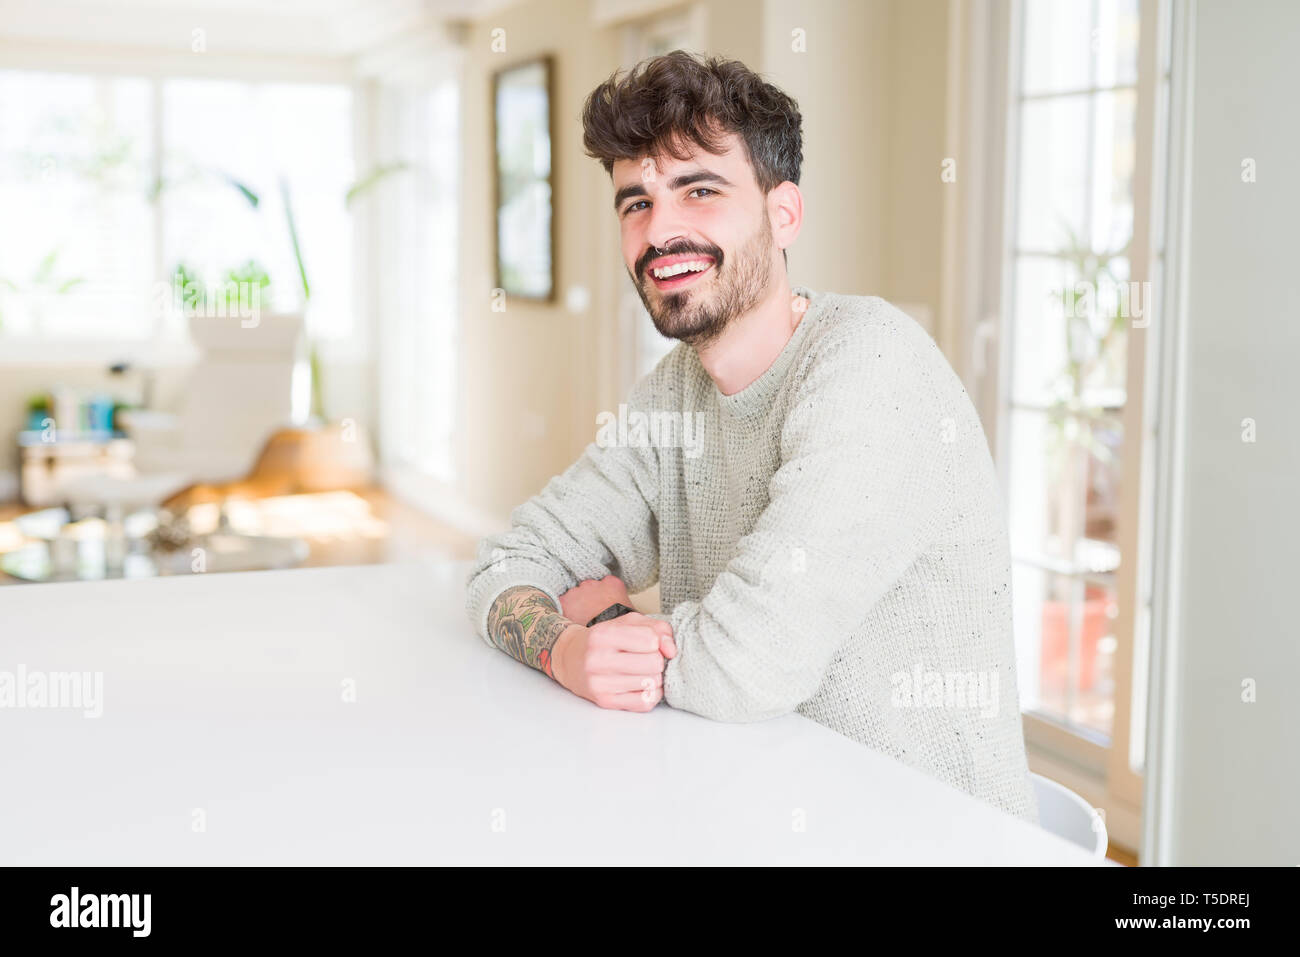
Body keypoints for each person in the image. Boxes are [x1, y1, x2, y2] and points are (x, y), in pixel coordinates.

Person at [465, 51, 1038, 824]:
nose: (660, 229)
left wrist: (606, 624)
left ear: (783, 212)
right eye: (635, 202)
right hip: (764, 811)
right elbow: (510, 560)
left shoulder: (871, 363)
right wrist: (564, 650)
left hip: (932, 837)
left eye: (699, 190)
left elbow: (747, 662)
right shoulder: (676, 391)